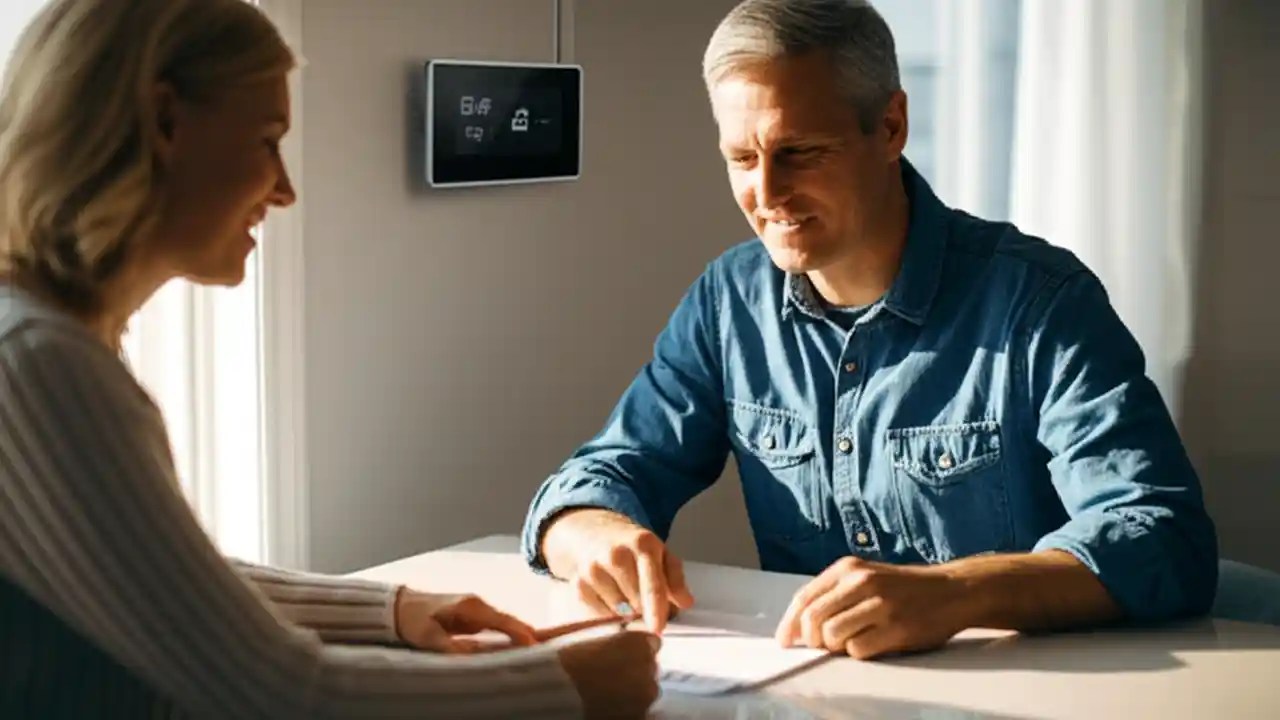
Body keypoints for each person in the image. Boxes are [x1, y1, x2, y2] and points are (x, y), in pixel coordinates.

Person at [0, 0, 658, 717]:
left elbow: (153, 582)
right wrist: (565, 688)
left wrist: (390, 610)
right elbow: (277, 693)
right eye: (266, 140)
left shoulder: (39, 345)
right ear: (164, 123)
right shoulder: (39, 364)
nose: (283, 189)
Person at [521, 0, 1219, 660]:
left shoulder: (1041, 303)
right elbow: (605, 473)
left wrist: (958, 593)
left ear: (890, 128)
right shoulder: (727, 302)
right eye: (741, 158)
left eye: (800, 152)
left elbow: (1163, 537)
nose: (766, 195)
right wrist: (592, 532)